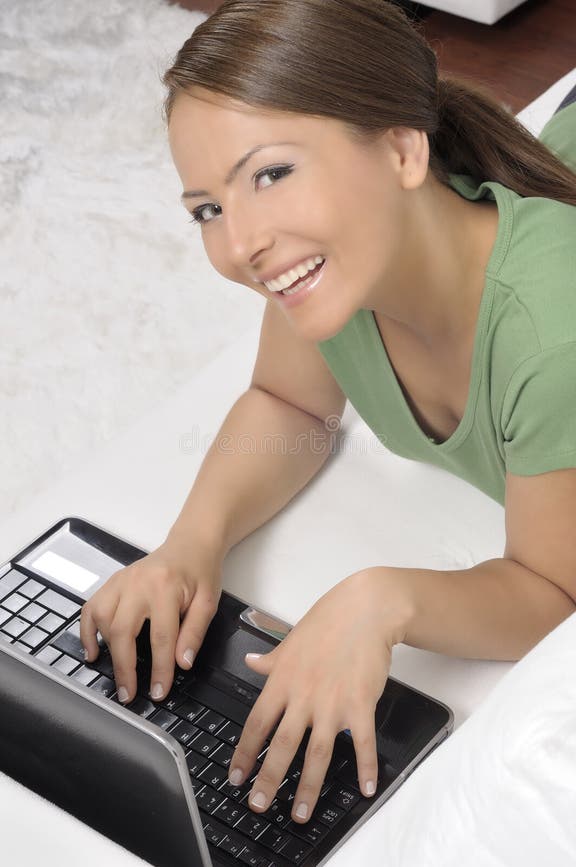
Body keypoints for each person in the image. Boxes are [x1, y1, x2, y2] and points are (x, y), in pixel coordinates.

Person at [80, 0, 576, 827]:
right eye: (208, 208)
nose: (240, 245)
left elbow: (556, 592)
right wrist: (190, 544)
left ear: (402, 147)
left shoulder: (551, 331)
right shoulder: (340, 271)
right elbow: (289, 403)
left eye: (270, 174)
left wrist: (383, 600)